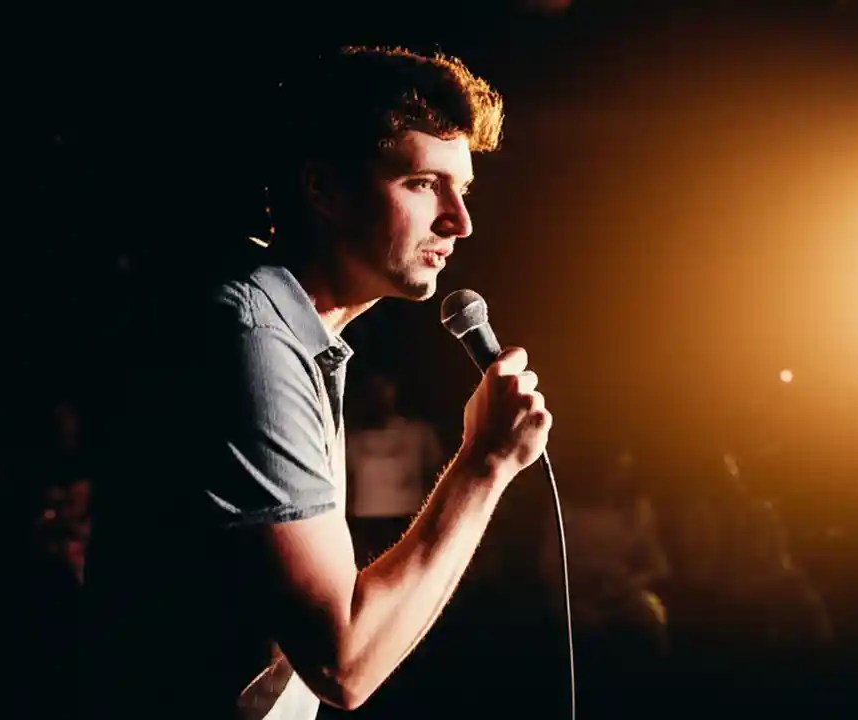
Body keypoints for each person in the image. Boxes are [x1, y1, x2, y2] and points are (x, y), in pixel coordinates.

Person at [79, 45, 552, 720]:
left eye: (463, 189)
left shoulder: (289, 333)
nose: (459, 221)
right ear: (323, 188)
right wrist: (484, 464)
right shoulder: (252, 339)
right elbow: (345, 661)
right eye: (422, 184)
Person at [345, 371, 446, 565]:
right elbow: (347, 479)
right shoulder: (354, 438)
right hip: (366, 521)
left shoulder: (418, 433)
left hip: (408, 518)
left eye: (385, 391)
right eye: (374, 392)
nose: (381, 397)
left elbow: (435, 472)